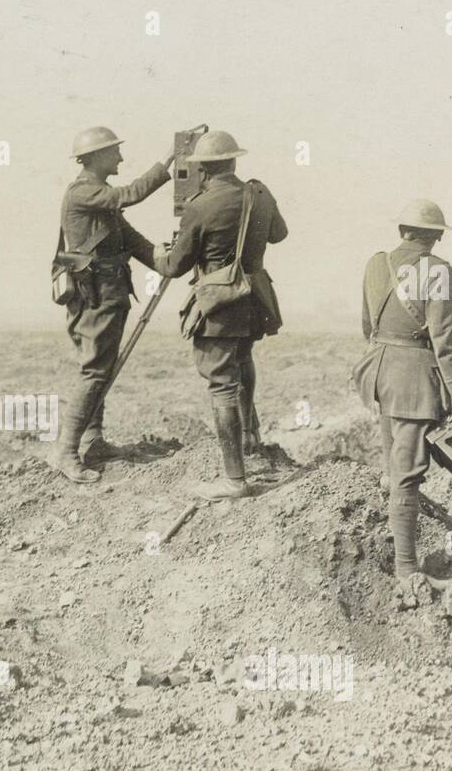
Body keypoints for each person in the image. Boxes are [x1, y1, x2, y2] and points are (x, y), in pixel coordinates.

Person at [153, 130, 288, 499]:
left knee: (221, 384)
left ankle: (234, 480)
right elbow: (279, 234)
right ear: (232, 161)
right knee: (243, 359)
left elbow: (176, 265)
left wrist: (153, 253)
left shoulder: (201, 205)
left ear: (202, 169)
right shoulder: (259, 194)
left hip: (220, 304)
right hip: (256, 298)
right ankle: (249, 438)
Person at [351, 199, 452, 609]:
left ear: (403, 229)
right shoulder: (437, 269)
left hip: (380, 373)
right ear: (435, 235)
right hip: (414, 380)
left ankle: (399, 553)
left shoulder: (374, 263)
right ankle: (405, 568)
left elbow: (368, 325)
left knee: (394, 466)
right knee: (406, 476)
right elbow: (444, 337)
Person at [51, 125, 179, 483]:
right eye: (114, 152)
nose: (121, 157)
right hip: (94, 296)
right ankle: (65, 451)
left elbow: (130, 239)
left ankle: (92, 440)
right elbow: (132, 194)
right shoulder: (84, 193)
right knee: (94, 371)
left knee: (101, 367)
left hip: (107, 295)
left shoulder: (99, 199)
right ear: (94, 157)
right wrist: (168, 159)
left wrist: (163, 258)